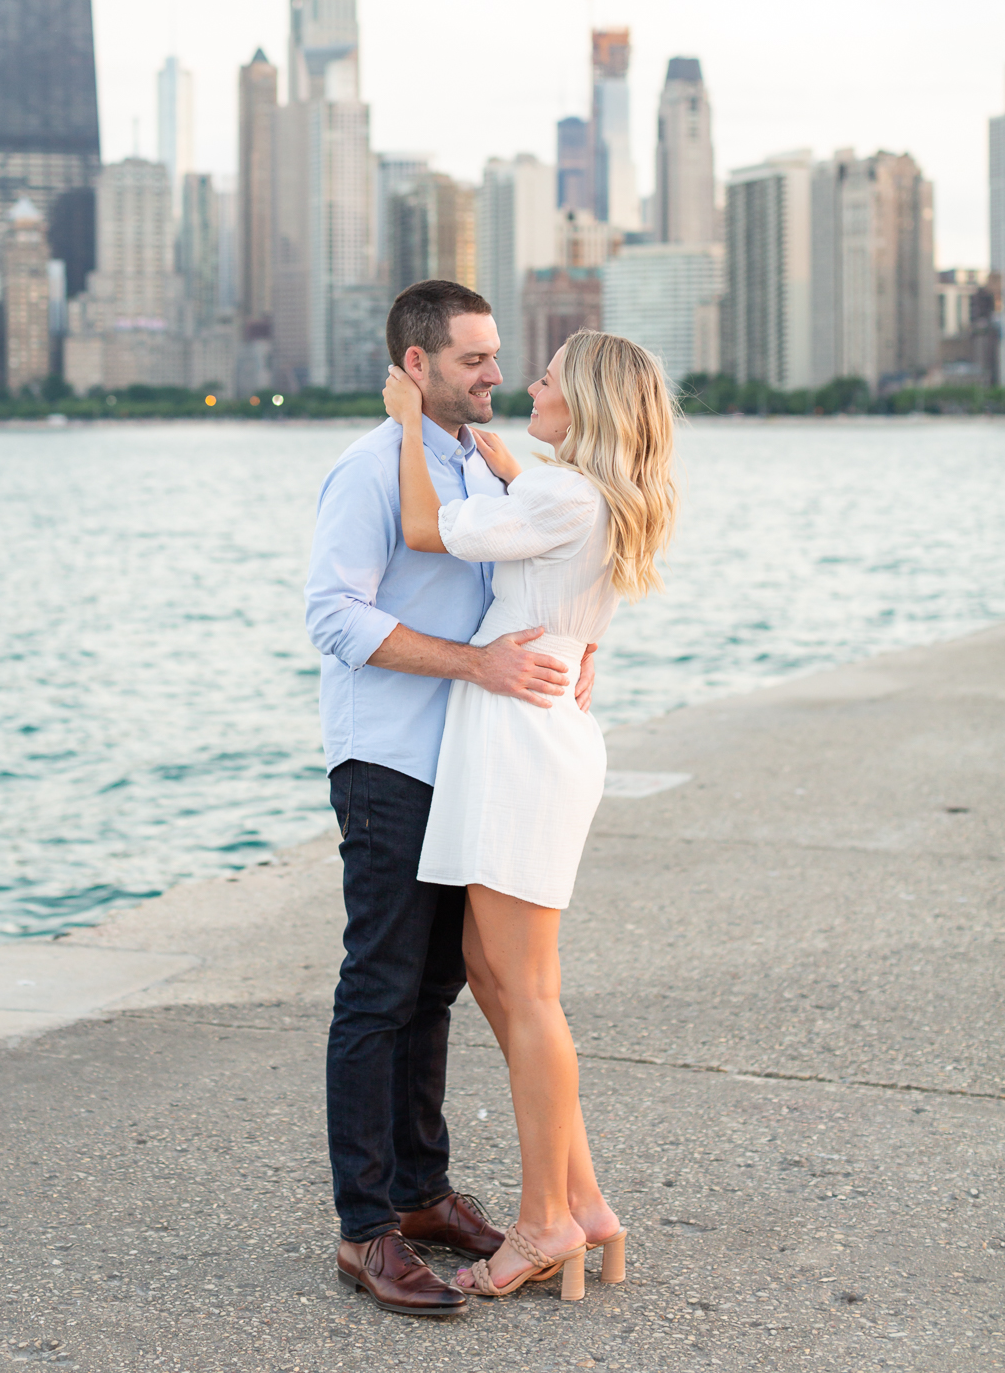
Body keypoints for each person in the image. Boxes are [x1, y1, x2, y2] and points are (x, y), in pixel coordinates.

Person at [305, 281, 597, 1320]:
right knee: (379, 991)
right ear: (415, 365)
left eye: (496, 354)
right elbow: (333, 615)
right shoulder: (369, 467)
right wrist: (471, 667)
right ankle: (364, 1227)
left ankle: (423, 1194)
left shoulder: (480, 463)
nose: (493, 374)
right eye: (471, 359)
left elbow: (545, 566)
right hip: (389, 759)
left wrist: (574, 645)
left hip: (475, 766)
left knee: (432, 989)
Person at [380, 328, 677, 1304]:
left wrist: (402, 427)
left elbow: (435, 532)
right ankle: (582, 1202)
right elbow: (520, 502)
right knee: (491, 971)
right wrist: (499, 459)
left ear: (581, 399)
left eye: (547, 374)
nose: (530, 384)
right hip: (525, 732)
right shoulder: (579, 493)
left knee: (526, 987)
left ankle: (547, 1219)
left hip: (517, 743)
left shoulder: (561, 495)